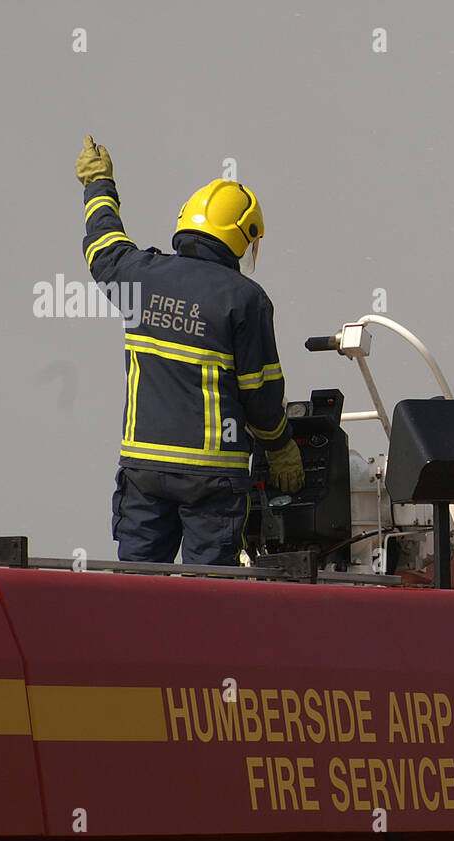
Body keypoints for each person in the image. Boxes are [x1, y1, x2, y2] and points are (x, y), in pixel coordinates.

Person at [75, 135, 305, 566]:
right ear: (242, 238)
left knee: (136, 595)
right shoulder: (245, 298)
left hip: (144, 470)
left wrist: (98, 184)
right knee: (210, 600)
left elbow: (102, 243)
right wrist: (281, 447)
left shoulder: (138, 275)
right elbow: (261, 394)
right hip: (212, 478)